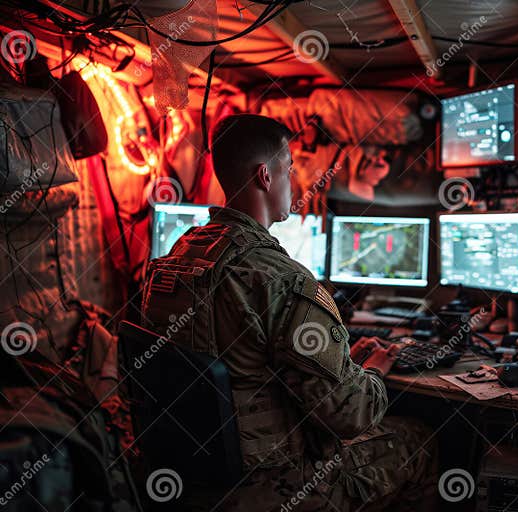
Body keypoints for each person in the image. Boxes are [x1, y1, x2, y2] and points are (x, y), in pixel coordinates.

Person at [141, 114, 438, 511]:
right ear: (266, 176)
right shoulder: (283, 280)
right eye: (290, 169)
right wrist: (374, 369)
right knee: (420, 440)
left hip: (186, 475)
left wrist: (337, 362)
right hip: (271, 484)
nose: (293, 181)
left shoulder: (176, 257)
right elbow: (351, 414)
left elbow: (241, 363)